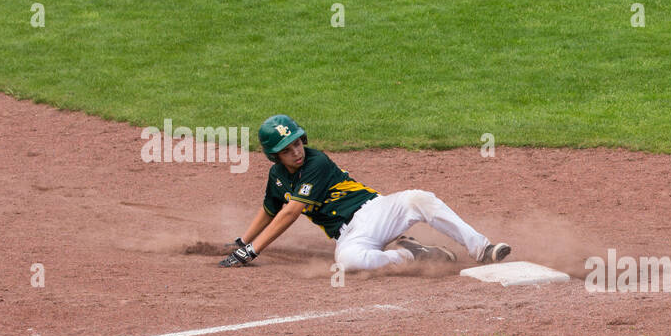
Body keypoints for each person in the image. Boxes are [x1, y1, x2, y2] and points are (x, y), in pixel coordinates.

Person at [219, 114, 511, 271]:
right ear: (274, 156)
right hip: (351, 234)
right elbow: (270, 209)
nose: (297, 152)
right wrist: (242, 241)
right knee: (347, 261)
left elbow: (291, 211)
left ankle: (482, 249)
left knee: (419, 199)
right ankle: (410, 255)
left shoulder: (315, 161)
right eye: (287, 149)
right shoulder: (277, 177)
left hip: (376, 210)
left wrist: (252, 251)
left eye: (298, 143)